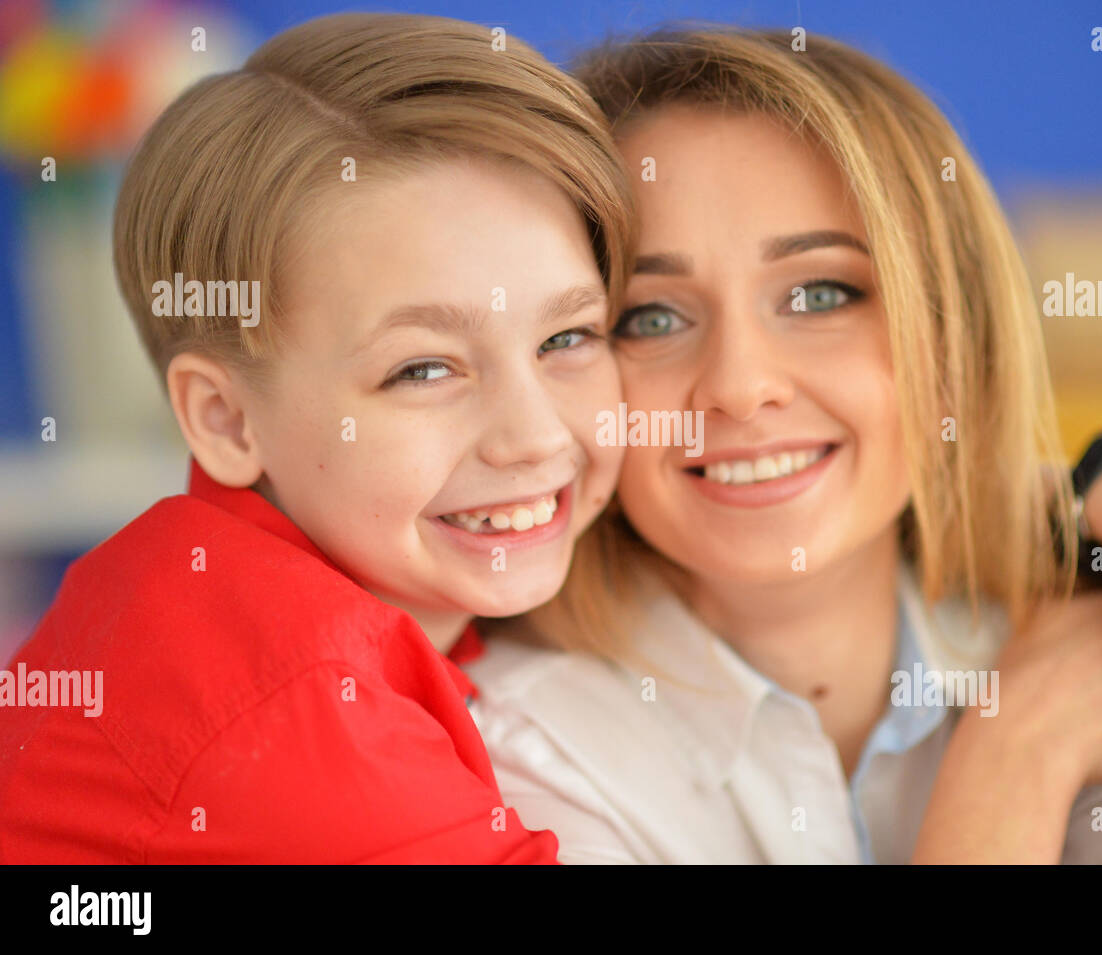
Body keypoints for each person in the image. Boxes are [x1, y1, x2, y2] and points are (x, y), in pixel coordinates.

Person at [466, 27, 1102, 864]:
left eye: (821, 293)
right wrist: (1019, 751)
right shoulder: (520, 759)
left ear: (953, 336)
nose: (741, 384)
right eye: (651, 316)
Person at [0, 13, 632, 863]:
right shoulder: (298, 710)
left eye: (567, 339)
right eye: (422, 370)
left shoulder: (256, 591)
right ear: (226, 420)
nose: (532, 434)